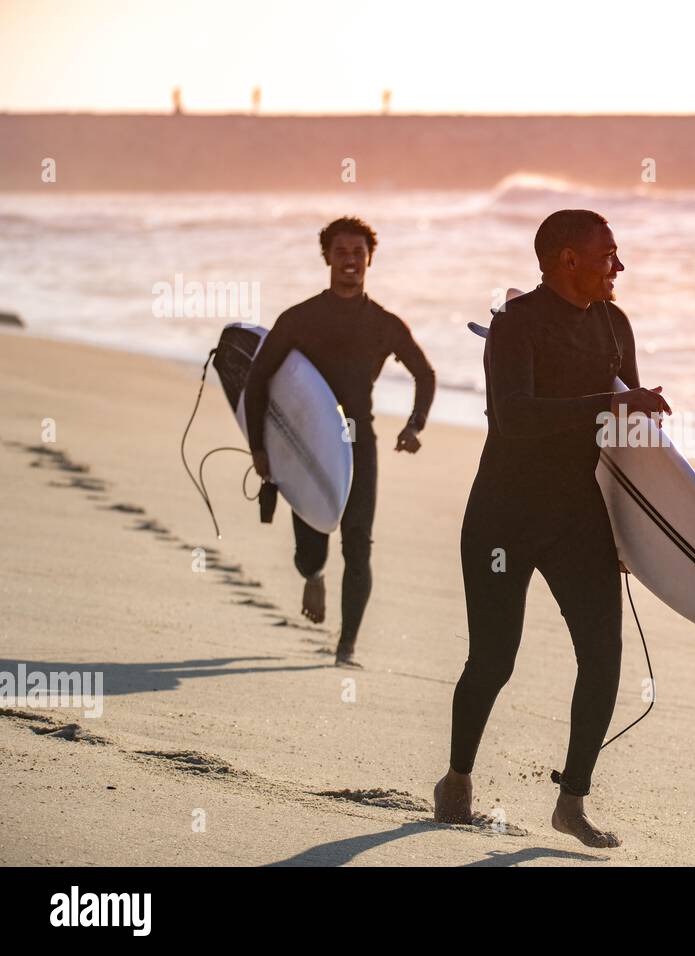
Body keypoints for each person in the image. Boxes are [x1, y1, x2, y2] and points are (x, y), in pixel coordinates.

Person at [435, 210, 670, 848]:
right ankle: (457, 778)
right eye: (608, 255)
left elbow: (624, 442)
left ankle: (572, 801)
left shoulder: (615, 325)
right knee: (493, 658)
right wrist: (612, 404)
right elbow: (514, 418)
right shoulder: (515, 327)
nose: (617, 267)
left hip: (579, 517)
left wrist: (635, 533)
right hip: (504, 515)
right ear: (568, 259)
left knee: (603, 657)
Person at [243, 216, 435, 668]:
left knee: (358, 541)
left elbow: (424, 374)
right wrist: (259, 446)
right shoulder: (299, 318)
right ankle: (313, 574)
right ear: (326, 256)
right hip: (306, 442)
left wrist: (415, 425)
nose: (350, 260)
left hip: (357, 442)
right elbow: (257, 381)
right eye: (341, 252)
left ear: (370, 259)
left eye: (358, 253)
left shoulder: (384, 323)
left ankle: (346, 646)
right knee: (310, 545)